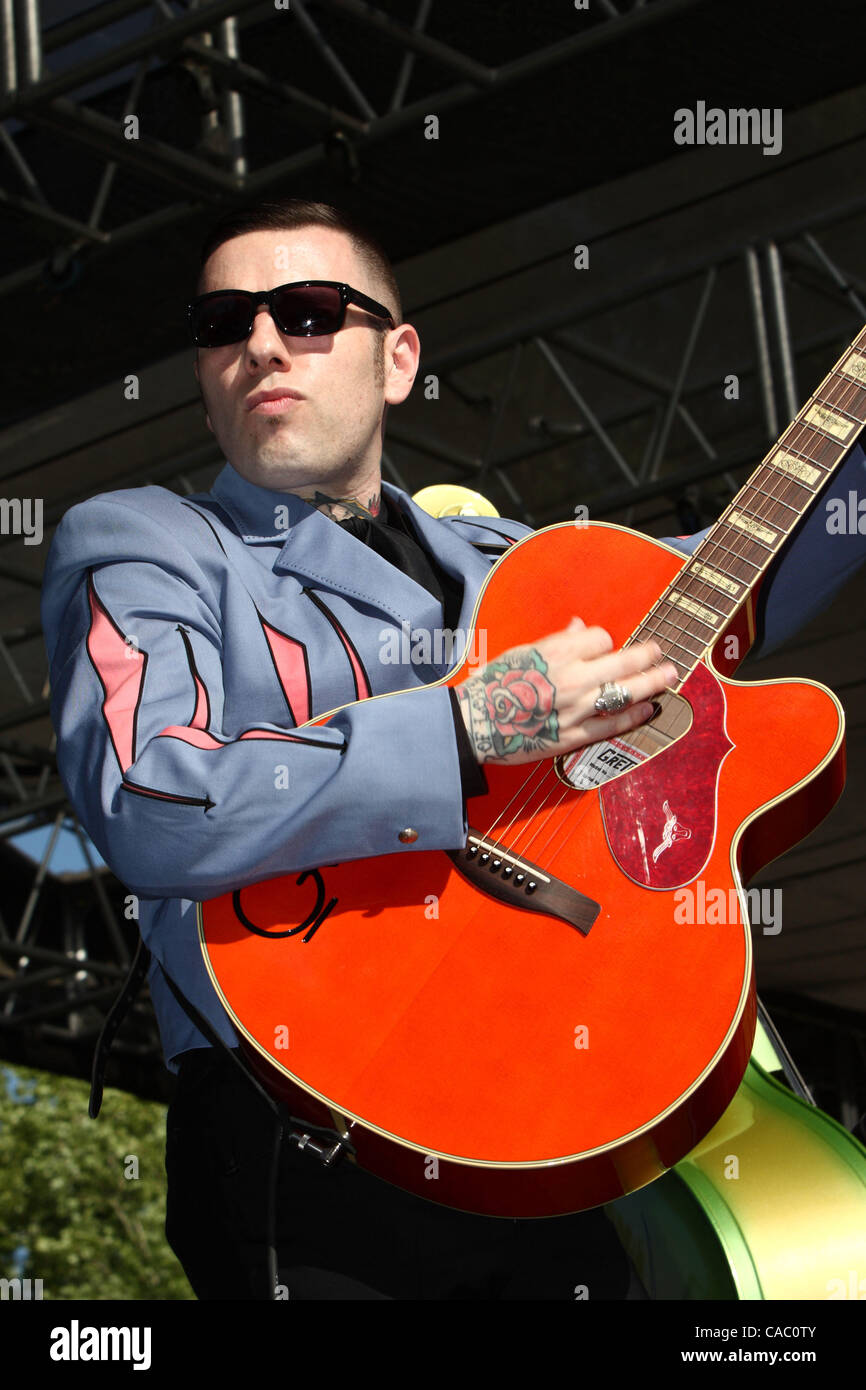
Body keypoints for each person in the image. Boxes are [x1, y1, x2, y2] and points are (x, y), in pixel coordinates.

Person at [41, 197, 866, 1300]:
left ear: (397, 358)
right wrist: (465, 726)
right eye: (224, 322)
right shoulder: (144, 540)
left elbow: (743, 575)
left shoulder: (528, 556)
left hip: (566, 1126)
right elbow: (149, 800)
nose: (262, 343)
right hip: (319, 1119)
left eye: (308, 310)